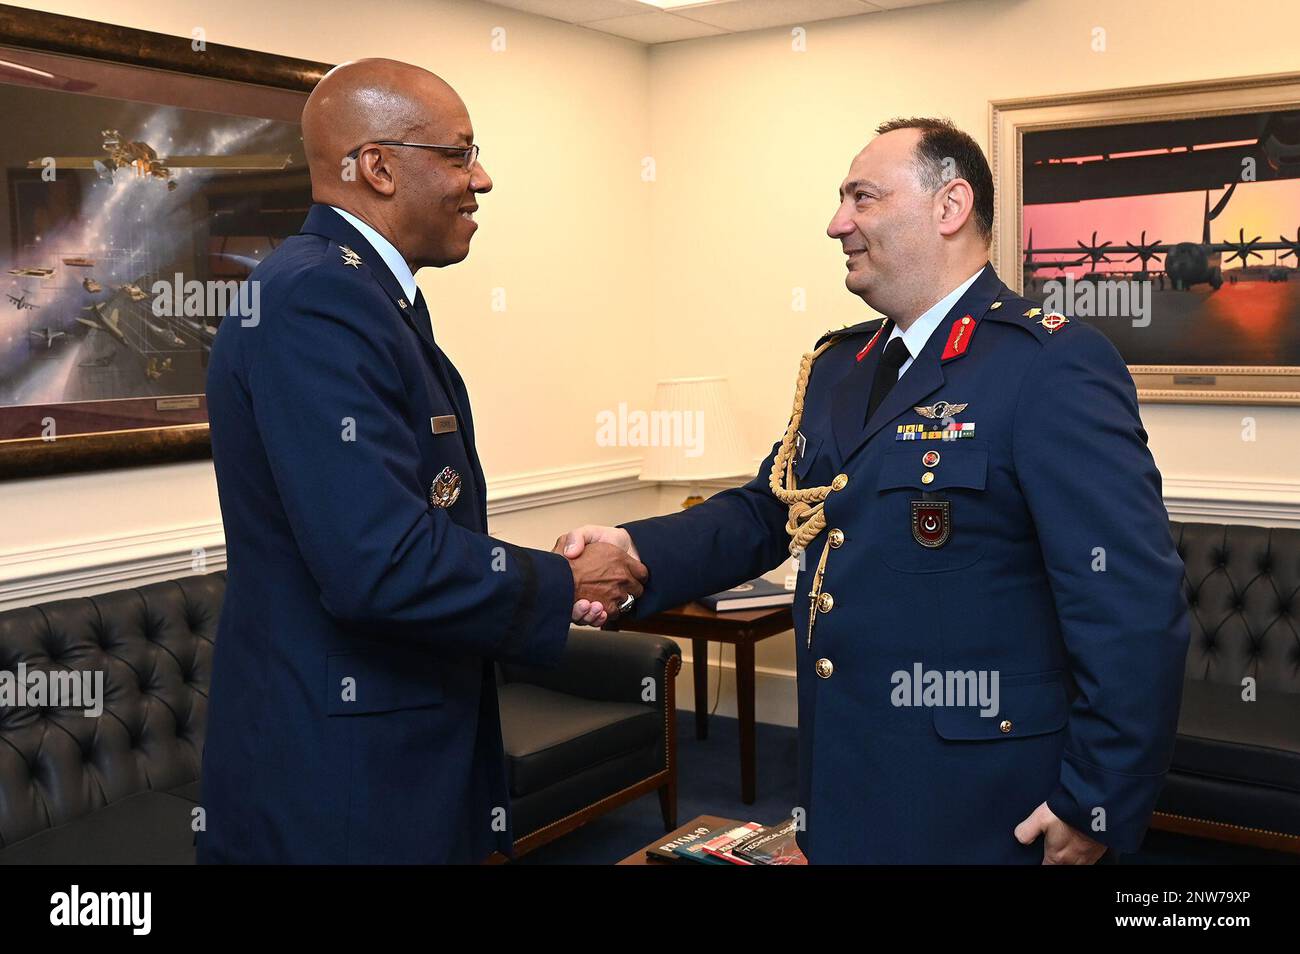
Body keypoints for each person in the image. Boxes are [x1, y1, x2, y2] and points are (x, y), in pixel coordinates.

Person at [559, 118, 1189, 864]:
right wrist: (636, 550)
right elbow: (771, 508)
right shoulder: (840, 366)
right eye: (840, 200)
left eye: (862, 198)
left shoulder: (1051, 365)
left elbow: (1132, 603)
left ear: (949, 207)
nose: (837, 224)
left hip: (981, 794)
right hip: (845, 772)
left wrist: (1096, 801)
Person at [200, 58, 644, 863]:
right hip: (342, 777)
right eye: (459, 153)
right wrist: (562, 580)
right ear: (377, 166)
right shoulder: (316, 298)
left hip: (394, 742)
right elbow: (380, 559)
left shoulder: (365, 290)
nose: (482, 177)